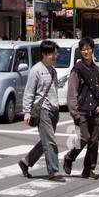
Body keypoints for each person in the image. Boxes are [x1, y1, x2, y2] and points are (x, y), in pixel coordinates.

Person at [19, 40, 64, 181]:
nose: (55, 56)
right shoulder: (36, 70)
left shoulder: (53, 70)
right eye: (52, 54)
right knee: (50, 142)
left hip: (54, 110)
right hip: (42, 110)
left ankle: (26, 162)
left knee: (46, 141)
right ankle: (54, 171)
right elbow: (29, 92)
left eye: (56, 54)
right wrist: (26, 112)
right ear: (44, 54)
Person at [62, 36, 99, 179]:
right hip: (81, 111)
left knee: (94, 142)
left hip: (94, 110)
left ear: (92, 49)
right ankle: (69, 158)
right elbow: (72, 92)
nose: (86, 52)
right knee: (83, 139)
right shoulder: (77, 70)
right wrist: (74, 112)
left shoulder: (97, 69)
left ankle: (88, 169)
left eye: (88, 49)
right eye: (83, 49)